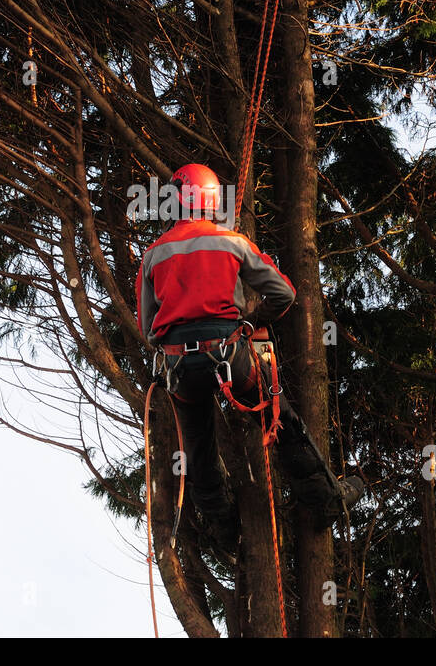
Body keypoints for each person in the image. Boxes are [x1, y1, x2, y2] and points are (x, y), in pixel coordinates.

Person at [135, 163, 361, 558]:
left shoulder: (154, 255)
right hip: (230, 356)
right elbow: (285, 294)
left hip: (179, 370)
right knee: (280, 418)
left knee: (198, 449)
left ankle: (226, 532)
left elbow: (149, 328)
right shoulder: (233, 242)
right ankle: (325, 499)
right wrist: (249, 322)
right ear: (210, 199)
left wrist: (178, 333)